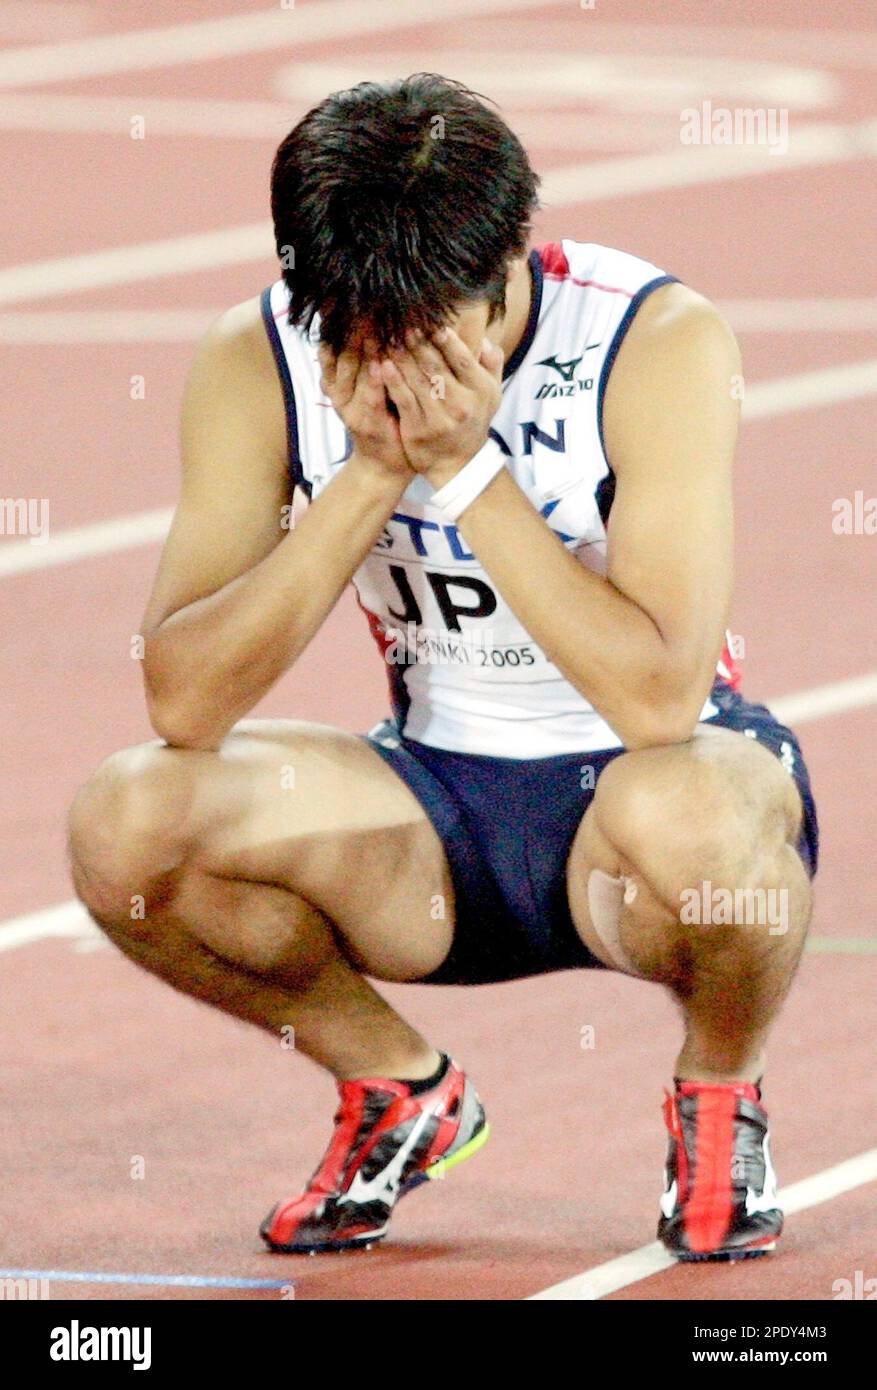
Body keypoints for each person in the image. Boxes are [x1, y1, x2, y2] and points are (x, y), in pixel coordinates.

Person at [68, 74, 818, 1262]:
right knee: (126, 821)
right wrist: (367, 477)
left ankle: (721, 1096)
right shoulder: (260, 357)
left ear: (512, 261)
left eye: (429, 326)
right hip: (430, 818)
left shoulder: (653, 339)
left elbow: (660, 697)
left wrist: (467, 472)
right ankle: (394, 1086)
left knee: (685, 811)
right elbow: (185, 698)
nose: (395, 361)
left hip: (650, 812)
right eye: (355, 330)